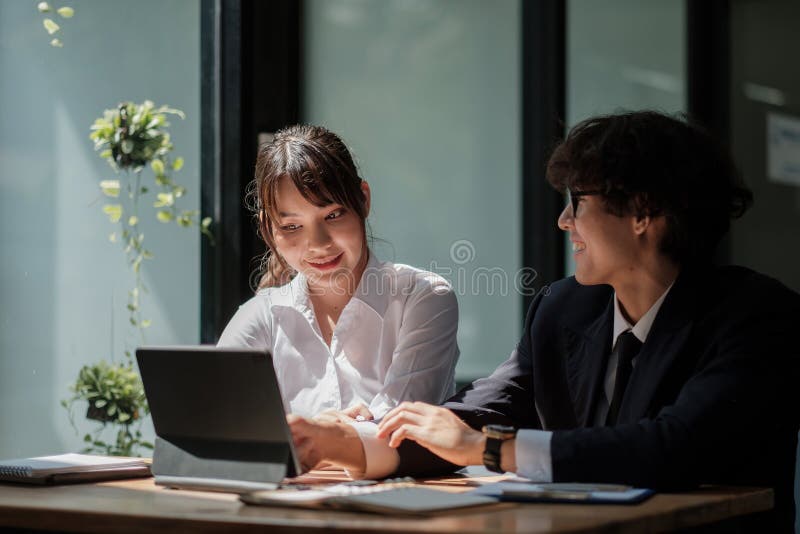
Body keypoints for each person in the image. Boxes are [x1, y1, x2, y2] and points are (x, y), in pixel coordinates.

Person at [288, 111, 800, 530]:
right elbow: (478, 413)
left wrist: (491, 449)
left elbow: (673, 447)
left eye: (578, 202)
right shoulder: (565, 308)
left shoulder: (754, 315)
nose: (563, 221)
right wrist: (353, 441)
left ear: (643, 212)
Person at [218, 124, 460, 424]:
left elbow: (401, 428)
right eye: (292, 226)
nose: (318, 244)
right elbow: (217, 422)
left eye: (332, 215)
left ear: (363, 199)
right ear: (268, 227)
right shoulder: (260, 317)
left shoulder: (422, 297)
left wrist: (316, 434)